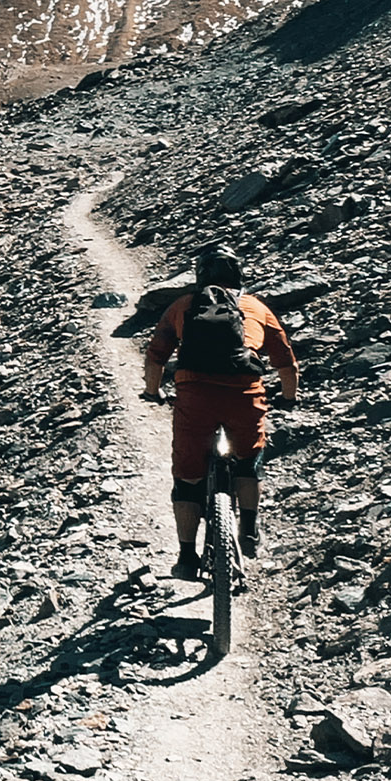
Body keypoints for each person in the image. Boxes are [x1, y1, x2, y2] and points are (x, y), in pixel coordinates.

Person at [142, 245, 300, 580]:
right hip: (244, 394)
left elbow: (156, 356)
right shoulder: (255, 307)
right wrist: (288, 398)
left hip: (194, 394)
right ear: (238, 274)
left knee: (187, 475)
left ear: (200, 276)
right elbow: (286, 362)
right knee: (248, 460)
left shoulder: (183, 306)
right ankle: (249, 529)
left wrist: (152, 392)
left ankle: (187, 557)